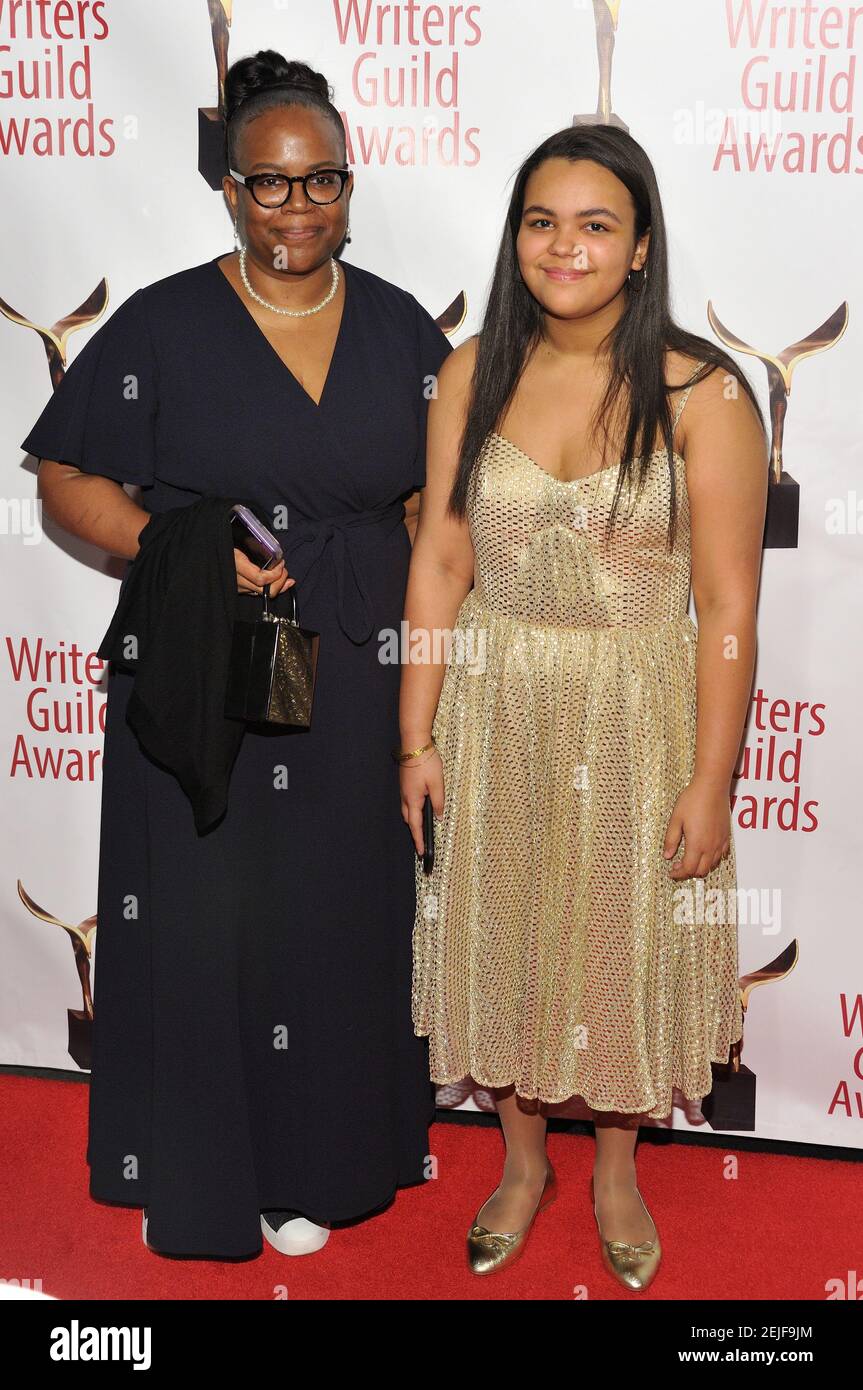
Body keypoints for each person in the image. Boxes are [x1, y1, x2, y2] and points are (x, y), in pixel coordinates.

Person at [21, 50, 451, 1260]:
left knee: (335, 923)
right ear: (226, 186)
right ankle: (219, 1168)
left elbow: (439, 507)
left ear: (349, 189)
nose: (298, 209)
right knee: (219, 921)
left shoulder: (401, 326)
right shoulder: (164, 320)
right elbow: (64, 473)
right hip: (209, 672)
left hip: (355, 675)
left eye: (322, 183)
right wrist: (180, 546)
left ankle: (325, 1159)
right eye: (270, 184)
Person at [398, 124, 768, 1289]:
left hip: (634, 710)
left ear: (641, 246)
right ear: (516, 239)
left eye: (595, 224)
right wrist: (413, 733)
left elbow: (722, 605)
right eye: (540, 221)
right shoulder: (471, 372)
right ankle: (520, 1161)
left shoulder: (704, 395)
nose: (564, 247)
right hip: (494, 706)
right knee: (500, 931)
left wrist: (709, 781)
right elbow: (439, 567)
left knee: (621, 943)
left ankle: (614, 1166)